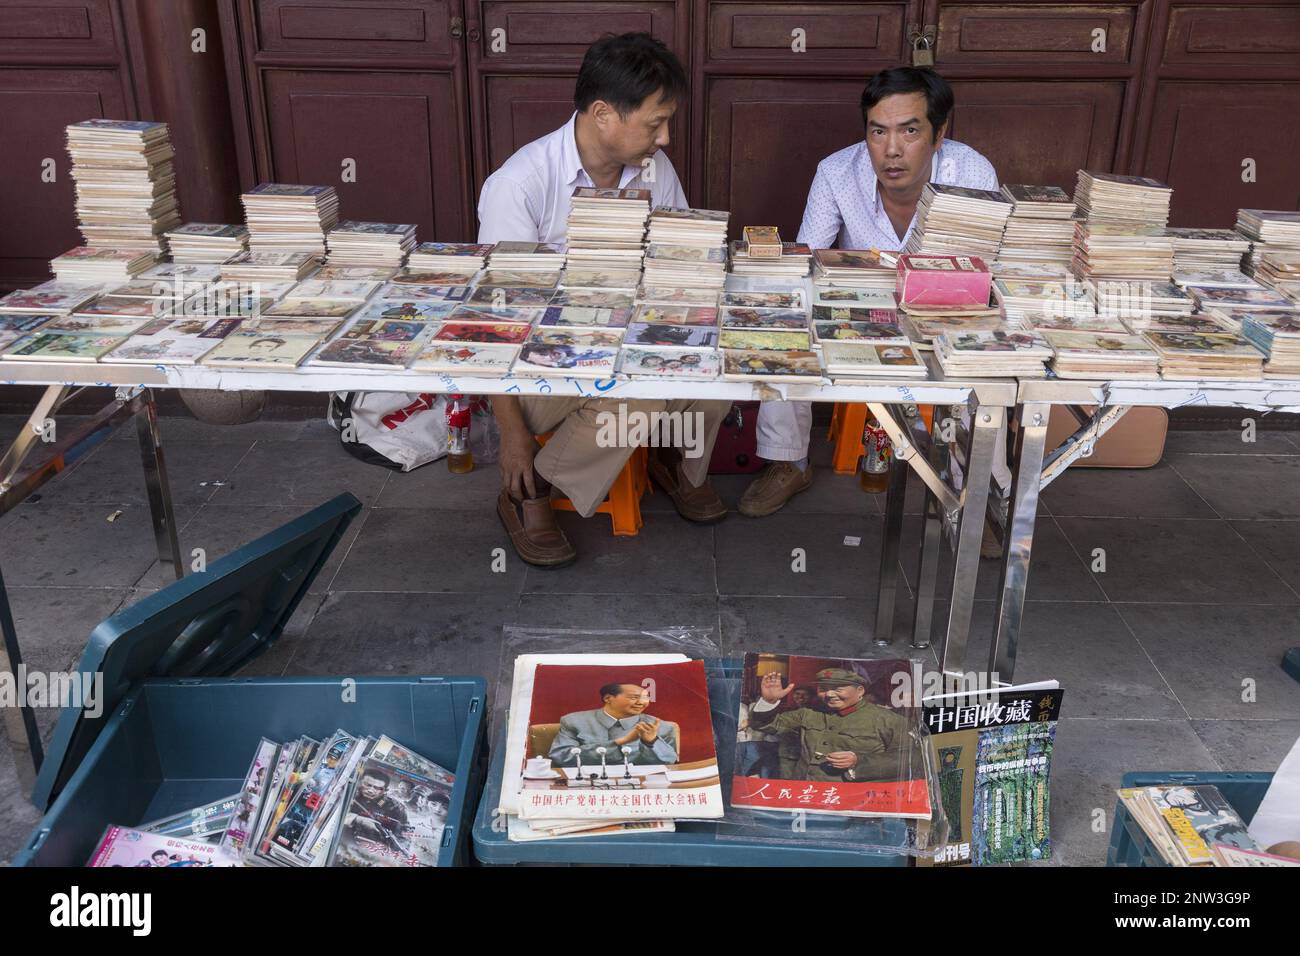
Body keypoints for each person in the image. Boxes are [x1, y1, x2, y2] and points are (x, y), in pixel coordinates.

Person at [477, 32, 732, 567]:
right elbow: (495, 322)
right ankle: (530, 490)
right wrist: (512, 434)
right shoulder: (521, 184)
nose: (665, 138)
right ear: (602, 114)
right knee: (636, 398)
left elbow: (677, 260)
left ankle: (679, 465)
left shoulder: (653, 169)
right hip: (535, 369)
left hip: (626, 341)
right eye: (654, 122)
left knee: (721, 360)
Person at [739, 67, 1001, 522]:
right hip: (857, 313)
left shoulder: (972, 173)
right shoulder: (838, 172)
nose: (891, 149)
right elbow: (808, 263)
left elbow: (984, 273)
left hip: (944, 314)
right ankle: (788, 461)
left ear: (939, 135)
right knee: (786, 315)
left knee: (988, 356)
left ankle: (977, 496)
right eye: (878, 131)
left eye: (910, 131)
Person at [748, 668, 922, 783]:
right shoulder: (809, 713)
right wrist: (769, 702)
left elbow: (912, 759)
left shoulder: (888, 720)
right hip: (803, 794)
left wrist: (859, 762)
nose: (829, 694)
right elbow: (765, 725)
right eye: (823, 688)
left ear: (860, 691)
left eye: (838, 688)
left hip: (854, 801)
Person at [549, 682, 679, 767]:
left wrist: (651, 742)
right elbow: (561, 757)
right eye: (634, 697)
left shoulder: (661, 727)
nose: (642, 702)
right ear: (608, 698)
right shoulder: (574, 721)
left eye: (646, 697)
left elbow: (670, 764)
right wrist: (619, 742)